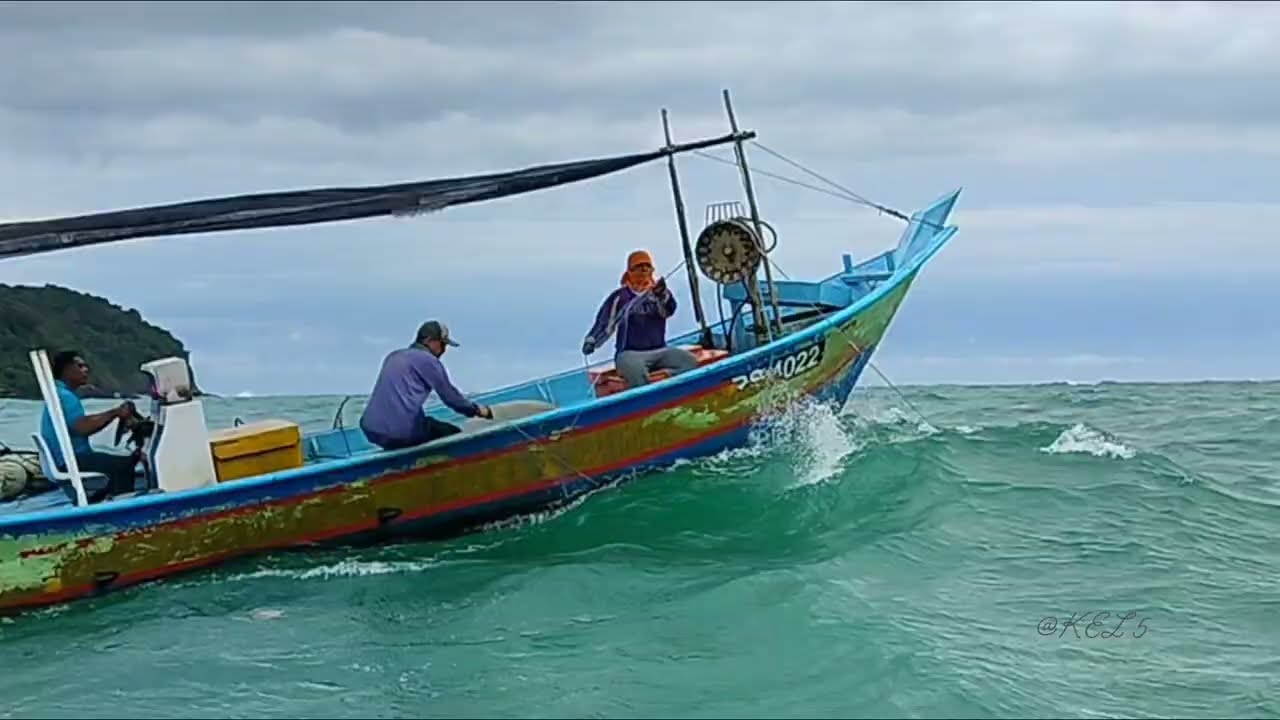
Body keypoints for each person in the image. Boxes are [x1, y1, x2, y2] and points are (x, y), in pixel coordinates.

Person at [359, 320, 493, 451]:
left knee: (423, 424)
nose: (444, 351)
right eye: (442, 344)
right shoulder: (429, 361)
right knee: (454, 434)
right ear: (429, 341)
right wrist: (478, 410)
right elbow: (451, 398)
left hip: (371, 430)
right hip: (402, 432)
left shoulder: (393, 356)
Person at [581, 250, 699, 387]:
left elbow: (669, 310)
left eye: (647, 266)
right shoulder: (619, 297)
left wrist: (662, 295)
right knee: (634, 371)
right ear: (630, 271)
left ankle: (669, 386)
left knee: (688, 361)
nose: (643, 270)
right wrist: (592, 341)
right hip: (630, 354)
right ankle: (648, 400)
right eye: (639, 267)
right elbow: (604, 323)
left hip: (660, 350)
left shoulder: (658, 293)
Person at [38, 350, 141, 503]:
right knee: (123, 465)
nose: (85, 370)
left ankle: (100, 499)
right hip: (70, 461)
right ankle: (122, 507)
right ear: (66, 369)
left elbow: (81, 422)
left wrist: (115, 413)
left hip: (66, 459)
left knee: (118, 462)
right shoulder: (64, 396)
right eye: (80, 366)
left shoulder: (58, 393)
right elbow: (82, 427)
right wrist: (115, 413)